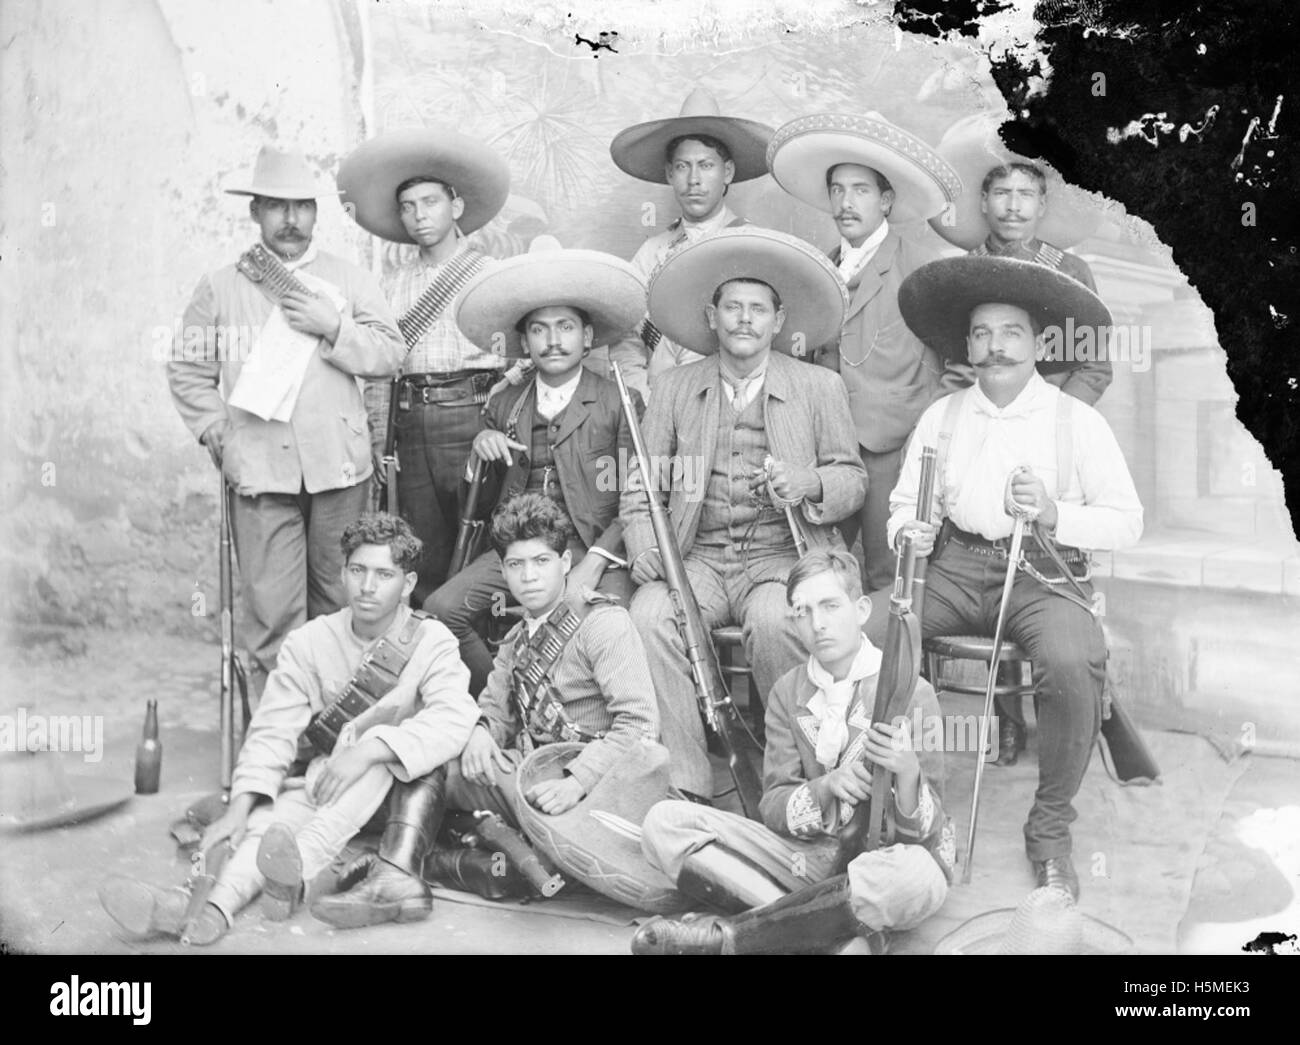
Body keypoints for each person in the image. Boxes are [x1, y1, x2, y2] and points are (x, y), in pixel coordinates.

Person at [881, 254, 1144, 900]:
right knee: (872, 634)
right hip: (954, 567)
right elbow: (901, 508)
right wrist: (906, 533)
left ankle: (1050, 831)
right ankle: (898, 803)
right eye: (981, 334)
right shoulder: (941, 416)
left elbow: (1128, 522)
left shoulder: (1075, 421)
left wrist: (1055, 512)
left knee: (1074, 656)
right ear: (966, 345)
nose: (994, 347)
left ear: (1039, 343)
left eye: (1010, 333)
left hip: (1040, 572)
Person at [98, 514, 479, 945]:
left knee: (381, 755)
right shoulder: (310, 642)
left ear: (407, 583)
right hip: (332, 783)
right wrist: (239, 808)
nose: (368, 587)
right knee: (268, 821)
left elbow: (453, 718)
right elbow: (272, 730)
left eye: (383, 574)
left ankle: (298, 862)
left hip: (402, 798)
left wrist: (371, 749)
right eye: (357, 571)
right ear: (342, 574)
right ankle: (206, 909)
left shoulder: (431, 641)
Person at [312, 493, 662, 927]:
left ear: (565, 563)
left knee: (429, 771)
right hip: (531, 781)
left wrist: (577, 780)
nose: (529, 577)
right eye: (516, 565)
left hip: (590, 795)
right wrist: (481, 729)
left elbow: (641, 726)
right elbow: (495, 711)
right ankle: (398, 867)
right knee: (424, 763)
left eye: (541, 562)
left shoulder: (603, 624)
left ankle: (391, 868)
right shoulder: (516, 642)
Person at [623, 226, 866, 800]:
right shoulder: (675, 388)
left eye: (758, 309)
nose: (744, 320)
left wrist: (806, 482)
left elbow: (852, 479)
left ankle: (800, 781)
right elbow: (641, 490)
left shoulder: (817, 386)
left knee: (780, 620)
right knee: (651, 615)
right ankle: (685, 782)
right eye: (732, 307)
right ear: (712, 317)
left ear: (779, 322)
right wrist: (647, 549)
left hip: (781, 559)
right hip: (696, 557)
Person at [632, 548, 953, 955]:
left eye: (831, 606)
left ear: (861, 609)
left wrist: (907, 774)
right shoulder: (788, 691)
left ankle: (730, 938)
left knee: (916, 876)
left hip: (879, 865)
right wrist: (827, 787)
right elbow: (775, 806)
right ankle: (826, 933)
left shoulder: (913, 692)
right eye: (802, 612)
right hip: (805, 860)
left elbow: (929, 827)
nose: (817, 624)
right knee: (664, 824)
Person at [423, 237, 646, 693]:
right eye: (540, 330)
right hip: (518, 550)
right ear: (525, 341)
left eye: (565, 327)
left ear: (586, 337)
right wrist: (479, 455)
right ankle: (511, 701)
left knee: (612, 622)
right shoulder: (504, 402)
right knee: (445, 610)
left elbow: (637, 498)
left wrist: (596, 562)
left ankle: (587, 724)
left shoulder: (618, 402)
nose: (553, 340)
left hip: (591, 547)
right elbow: (481, 505)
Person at [767, 112, 964, 591]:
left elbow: (959, 367)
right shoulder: (815, 270)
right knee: (814, 574)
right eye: (837, 189)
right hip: (825, 455)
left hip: (893, 453)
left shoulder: (922, 270)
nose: (845, 202)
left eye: (860, 190)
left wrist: (922, 436)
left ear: (886, 200)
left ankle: (894, 670)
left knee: (890, 580)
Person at [337, 128, 511, 600]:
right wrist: (378, 436)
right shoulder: (390, 287)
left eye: (430, 202)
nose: (419, 216)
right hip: (411, 424)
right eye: (408, 207)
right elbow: (378, 371)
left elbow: (518, 362)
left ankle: (482, 668)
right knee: (421, 550)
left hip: (475, 417)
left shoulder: (491, 276)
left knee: (480, 542)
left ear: (455, 206)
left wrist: (498, 421)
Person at [930, 113, 1111, 406]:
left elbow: (1093, 369)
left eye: (1025, 194)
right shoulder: (961, 274)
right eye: (1002, 193)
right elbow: (956, 367)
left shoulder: (1073, 272)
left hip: (1052, 418)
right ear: (984, 202)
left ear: (1041, 205)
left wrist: (1056, 416)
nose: (1013, 207)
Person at [606, 87, 775, 393]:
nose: (693, 179)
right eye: (683, 166)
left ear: (728, 172)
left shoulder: (752, 246)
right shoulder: (652, 252)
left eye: (706, 166)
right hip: (660, 405)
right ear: (670, 173)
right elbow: (626, 338)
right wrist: (640, 394)